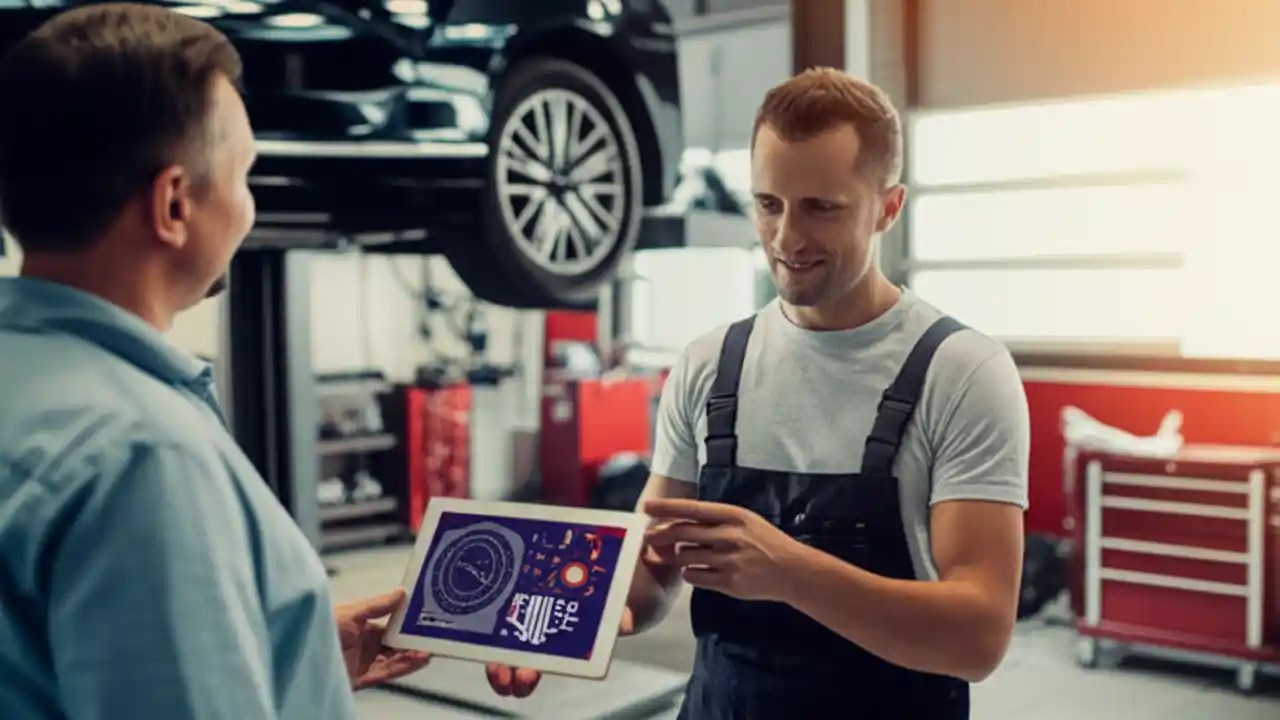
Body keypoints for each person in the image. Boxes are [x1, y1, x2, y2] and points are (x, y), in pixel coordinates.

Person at [0, 5, 514, 717]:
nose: (248, 206)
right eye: (243, 174)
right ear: (174, 204)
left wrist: (282, 650)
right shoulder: (141, 456)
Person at [626, 68, 1030, 718]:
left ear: (888, 208)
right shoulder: (707, 365)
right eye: (768, 204)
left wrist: (788, 571)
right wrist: (562, 626)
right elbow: (649, 572)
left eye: (822, 207)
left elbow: (978, 635)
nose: (786, 238)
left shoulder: (961, 373)